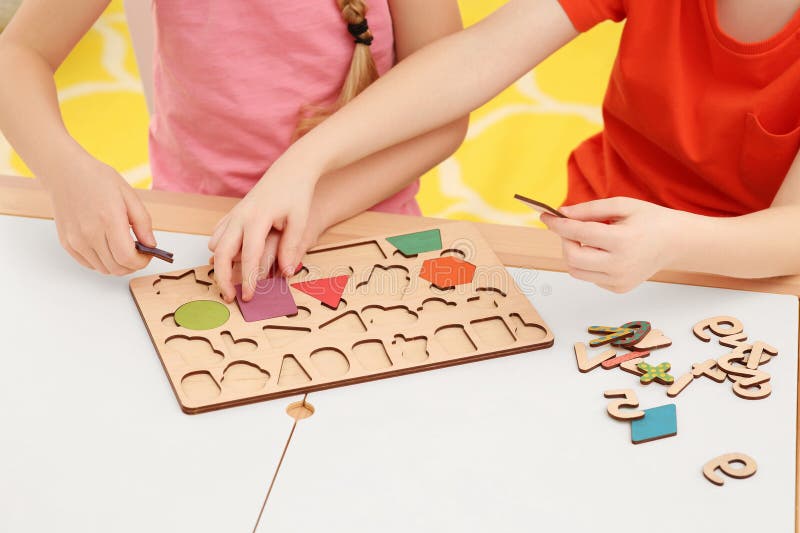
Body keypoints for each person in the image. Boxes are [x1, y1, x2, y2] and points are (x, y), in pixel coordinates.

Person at [232, 0, 800, 293]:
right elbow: (477, 56)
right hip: (595, 249)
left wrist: (675, 240)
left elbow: (790, 232)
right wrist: (308, 160)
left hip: (751, 278)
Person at [0, 0, 468, 301]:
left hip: (368, 224)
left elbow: (446, 110)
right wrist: (65, 173)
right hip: (196, 234)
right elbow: (17, 54)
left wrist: (310, 210)